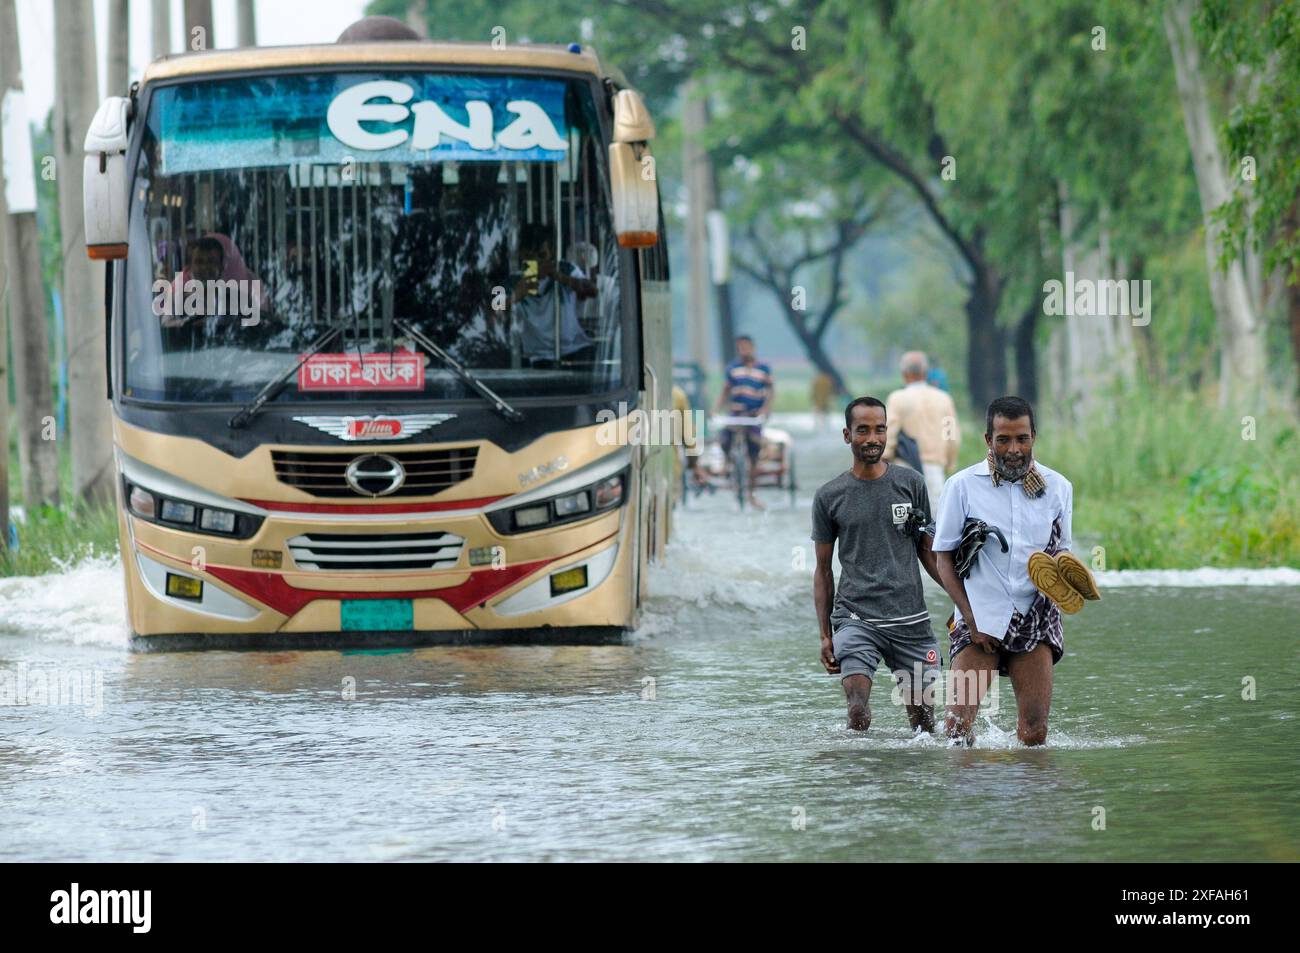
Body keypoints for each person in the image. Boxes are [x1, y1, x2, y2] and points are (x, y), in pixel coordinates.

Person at [930, 396, 1073, 746]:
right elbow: (943, 560)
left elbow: (1063, 552)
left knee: (1036, 732)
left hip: (1035, 616)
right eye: (1003, 439)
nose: (1013, 449)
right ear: (987, 440)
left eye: (1021, 439)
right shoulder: (961, 486)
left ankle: (1028, 798)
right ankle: (972, 798)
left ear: (1033, 437)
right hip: (980, 617)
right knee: (957, 731)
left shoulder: (1058, 488)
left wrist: (1069, 580)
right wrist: (971, 620)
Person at [813, 396, 946, 734]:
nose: (872, 439)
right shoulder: (830, 496)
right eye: (863, 431)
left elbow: (928, 551)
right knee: (857, 712)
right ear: (847, 435)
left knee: (925, 728)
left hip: (911, 621)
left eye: (880, 430)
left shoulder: (911, 484)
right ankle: (862, 780)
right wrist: (825, 635)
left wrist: (964, 604)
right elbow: (823, 570)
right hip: (856, 619)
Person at [507, 222, 597, 368]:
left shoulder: (566, 269)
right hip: (538, 356)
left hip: (576, 347)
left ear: (551, 253)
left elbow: (592, 290)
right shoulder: (513, 280)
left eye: (542, 255)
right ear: (522, 255)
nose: (537, 261)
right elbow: (493, 306)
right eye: (531, 256)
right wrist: (517, 294)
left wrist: (560, 278)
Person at [884, 350, 960, 504]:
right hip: (935, 468)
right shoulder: (943, 399)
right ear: (926, 372)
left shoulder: (897, 399)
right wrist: (950, 462)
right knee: (935, 520)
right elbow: (951, 436)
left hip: (904, 469)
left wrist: (884, 457)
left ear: (904, 373)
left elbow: (889, 434)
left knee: (905, 520)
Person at [713, 335, 774, 509]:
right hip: (735, 413)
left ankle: (752, 494)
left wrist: (766, 408)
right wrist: (716, 409)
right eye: (741, 347)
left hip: (754, 414)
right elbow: (725, 391)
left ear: (753, 348)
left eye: (747, 347)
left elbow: (770, 390)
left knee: (754, 451)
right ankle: (729, 463)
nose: (744, 350)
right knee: (725, 440)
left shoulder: (763, 368)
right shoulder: (732, 368)